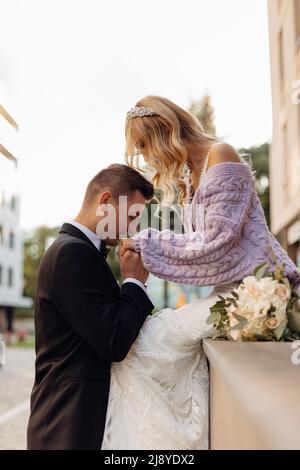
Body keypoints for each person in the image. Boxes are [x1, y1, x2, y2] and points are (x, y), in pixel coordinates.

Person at [101, 96, 300, 450]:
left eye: (145, 146)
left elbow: (218, 241)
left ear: (165, 132)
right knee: (142, 343)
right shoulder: (193, 176)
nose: (147, 159)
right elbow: (203, 246)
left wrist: (145, 242)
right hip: (228, 292)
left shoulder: (220, 155)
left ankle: (181, 441)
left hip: (255, 290)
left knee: (144, 346)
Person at [27, 164, 155, 450]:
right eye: (133, 216)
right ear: (106, 202)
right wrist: (134, 281)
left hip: (77, 422)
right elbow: (113, 341)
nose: (133, 228)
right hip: (67, 425)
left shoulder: (79, 251)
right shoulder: (71, 254)